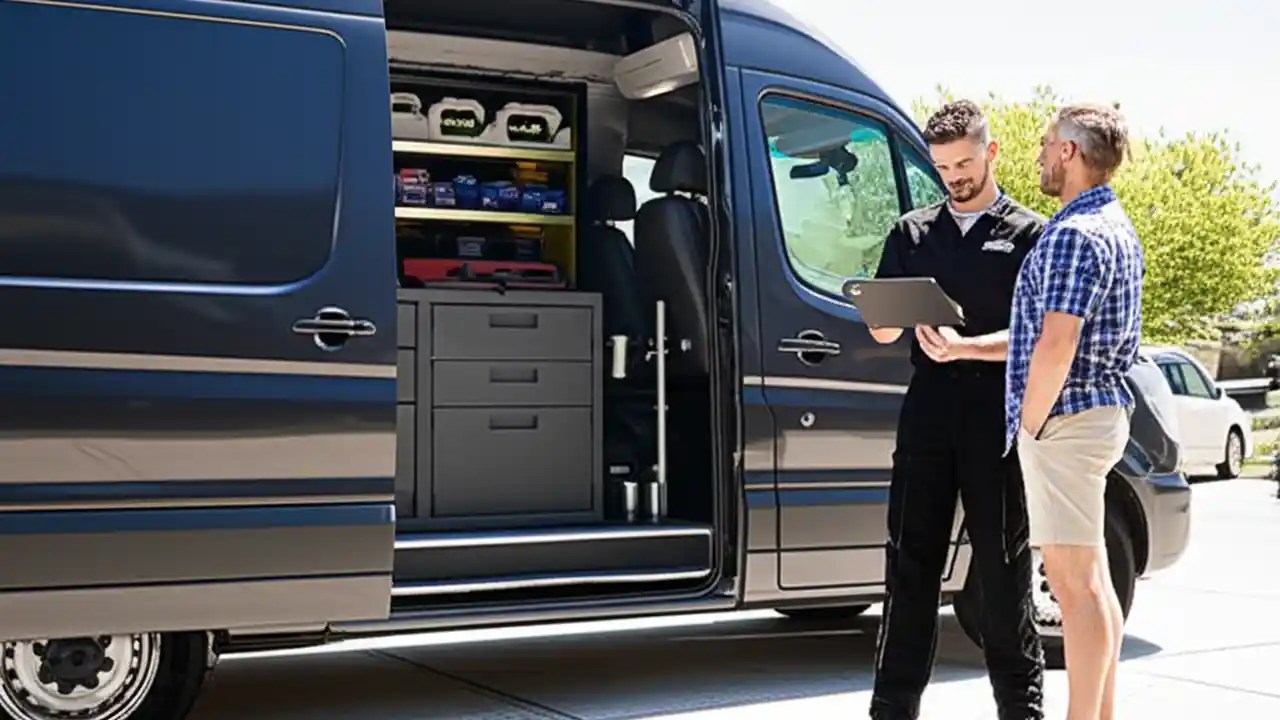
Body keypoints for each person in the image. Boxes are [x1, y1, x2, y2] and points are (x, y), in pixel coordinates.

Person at [867, 100, 1045, 720]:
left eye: (965, 163)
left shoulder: (1030, 235)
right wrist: (892, 314)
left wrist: (967, 346)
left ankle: (1021, 710)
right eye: (943, 167)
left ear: (991, 153)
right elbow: (884, 336)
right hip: (928, 415)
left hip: (995, 418)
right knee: (909, 565)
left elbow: (1039, 335)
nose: (954, 176)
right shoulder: (911, 232)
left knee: (1002, 572)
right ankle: (892, 709)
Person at [1005, 103, 1143, 720]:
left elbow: (1057, 340)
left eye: (1045, 142)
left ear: (1069, 152)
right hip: (1099, 412)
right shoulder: (1116, 225)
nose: (1038, 151)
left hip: (1065, 419)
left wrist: (1030, 422)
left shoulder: (1071, 234)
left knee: (1074, 588)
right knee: (1096, 584)